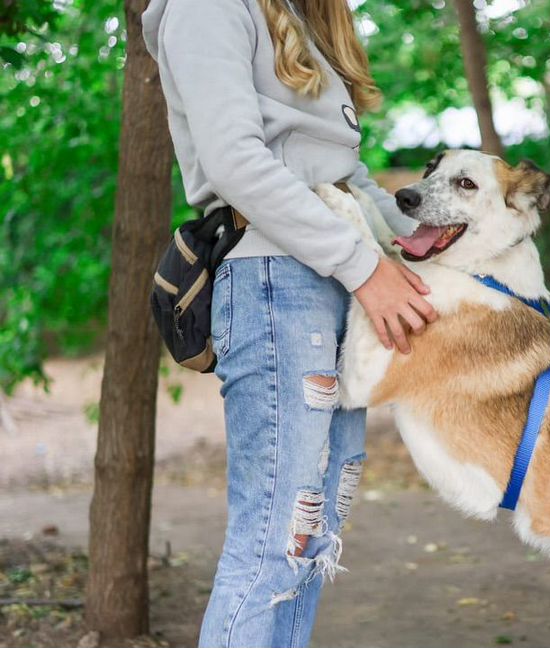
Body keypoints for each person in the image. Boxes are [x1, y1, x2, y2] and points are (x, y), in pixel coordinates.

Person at [142, 1, 437, 646]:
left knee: (309, 539)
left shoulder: (305, 20)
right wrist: (367, 269)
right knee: (274, 537)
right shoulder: (208, 8)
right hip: (278, 274)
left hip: (336, 275)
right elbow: (233, 162)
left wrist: (454, 239)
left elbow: (347, 180)